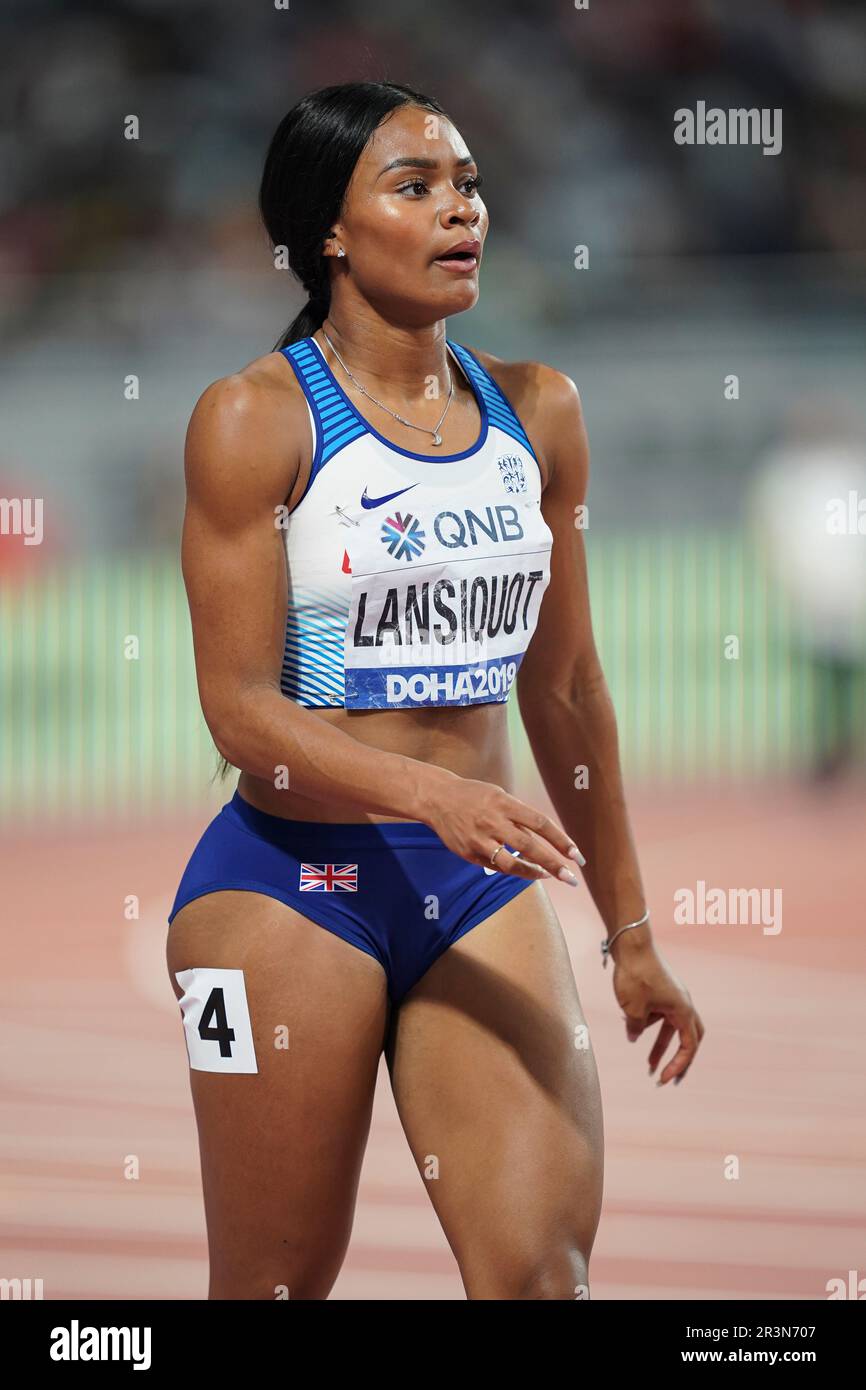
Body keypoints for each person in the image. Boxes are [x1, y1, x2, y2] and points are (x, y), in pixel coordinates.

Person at [165, 80, 703, 1301]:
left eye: (464, 182)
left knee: (537, 1277)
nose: (460, 209)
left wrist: (629, 933)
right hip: (286, 890)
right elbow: (240, 710)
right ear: (332, 232)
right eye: (414, 187)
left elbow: (564, 687)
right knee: (270, 1288)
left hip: (477, 890)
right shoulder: (253, 420)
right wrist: (426, 791)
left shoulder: (538, 410)